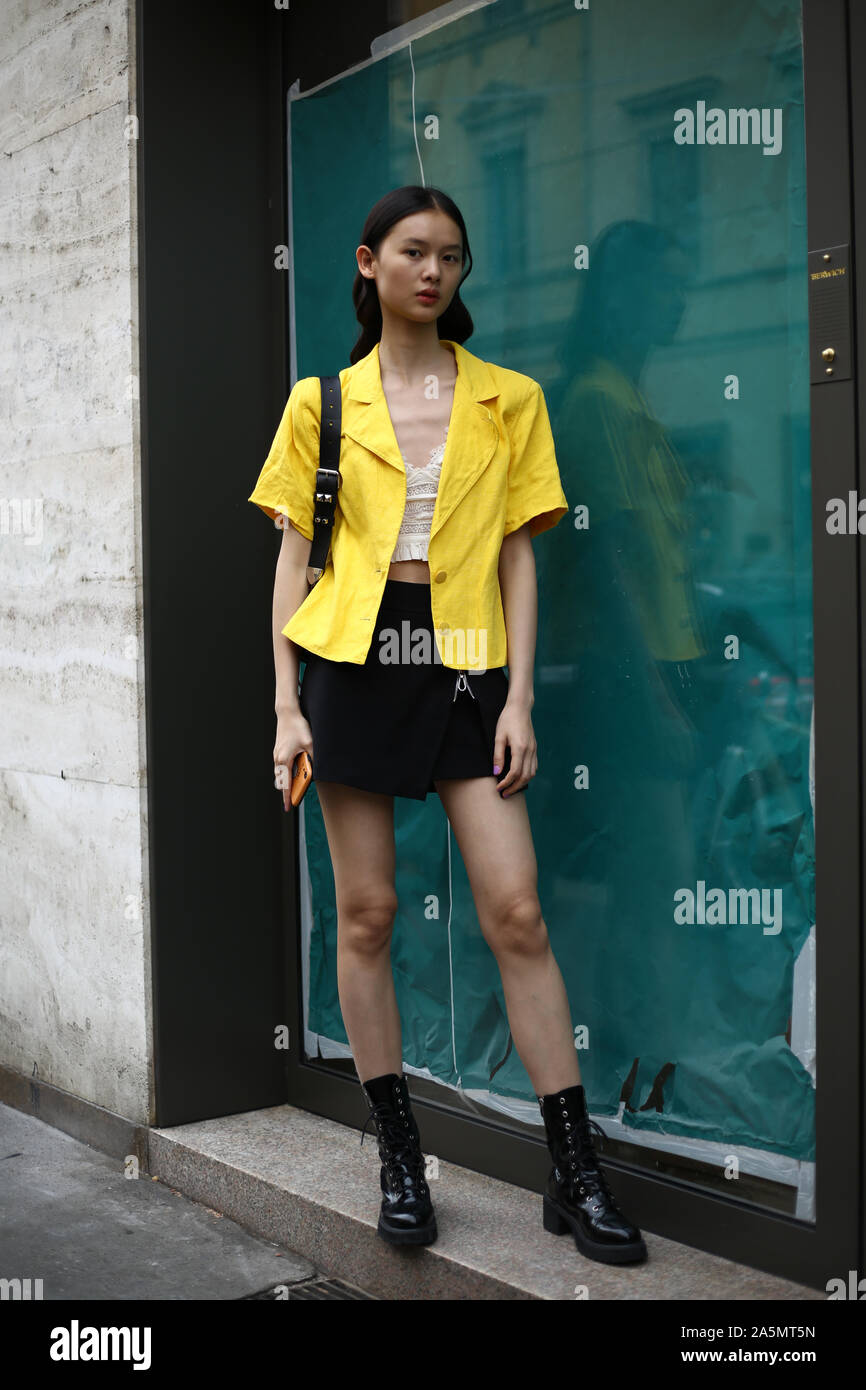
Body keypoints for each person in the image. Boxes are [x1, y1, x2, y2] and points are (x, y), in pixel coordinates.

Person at [248, 185, 647, 1266]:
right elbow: (293, 562)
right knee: (367, 914)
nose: (434, 271)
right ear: (369, 263)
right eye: (413, 252)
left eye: (453, 257)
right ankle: (397, 1157)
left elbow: (522, 548)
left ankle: (574, 1171)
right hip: (350, 660)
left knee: (516, 910)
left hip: (465, 658)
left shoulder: (509, 398)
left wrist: (516, 697)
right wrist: (285, 705)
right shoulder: (319, 404)